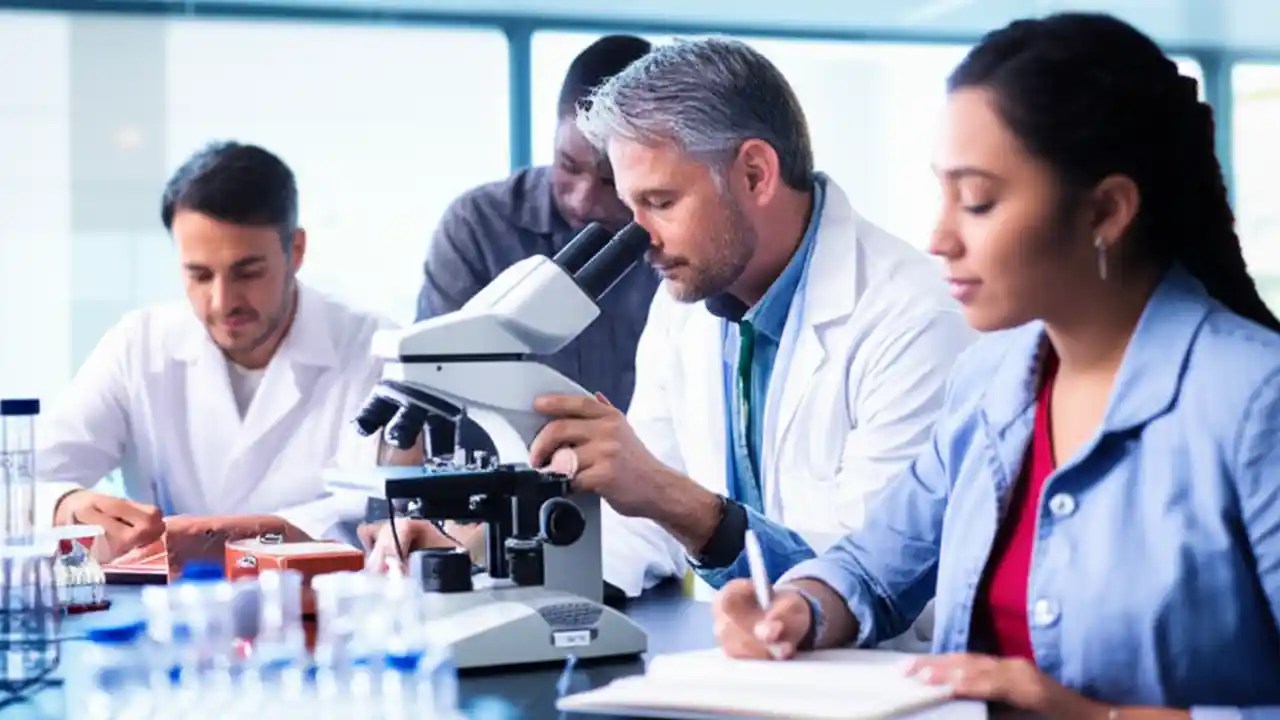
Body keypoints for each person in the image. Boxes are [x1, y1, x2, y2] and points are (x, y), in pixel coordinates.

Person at [711, 13, 1280, 716]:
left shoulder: (1255, 401)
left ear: (1106, 210)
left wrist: (1088, 714)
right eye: (942, 192)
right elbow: (873, 569)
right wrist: (799, 608)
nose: (939, 237)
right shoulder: (994, 380)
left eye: (977, 200)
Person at [524, 37, 975, 615]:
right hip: (746, 668)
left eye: (661, 202)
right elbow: (640, 531)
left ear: (756, 174)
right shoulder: (683, 302)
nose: (641, 241)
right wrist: (493, 557)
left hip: (878, 685)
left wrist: (670, 495)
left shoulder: (914, 318)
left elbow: (870, 577)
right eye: (632, 207)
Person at [34, 141, 449, 559]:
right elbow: (24, 484)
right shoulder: (138, 345)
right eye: (199, 275)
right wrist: (64, 505)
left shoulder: (374, 349)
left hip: (323, 604)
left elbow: (383, 518)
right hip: (169, 608)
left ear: (296, 251)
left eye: (247, 273)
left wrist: (226, 537)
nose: (222, 301)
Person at [416, 33, 657, 416]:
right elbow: (433, 375)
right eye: (568, 165)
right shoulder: (477, 226)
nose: (582, 199)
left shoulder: (669, 240)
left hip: (635, 468)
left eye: (611, 182)